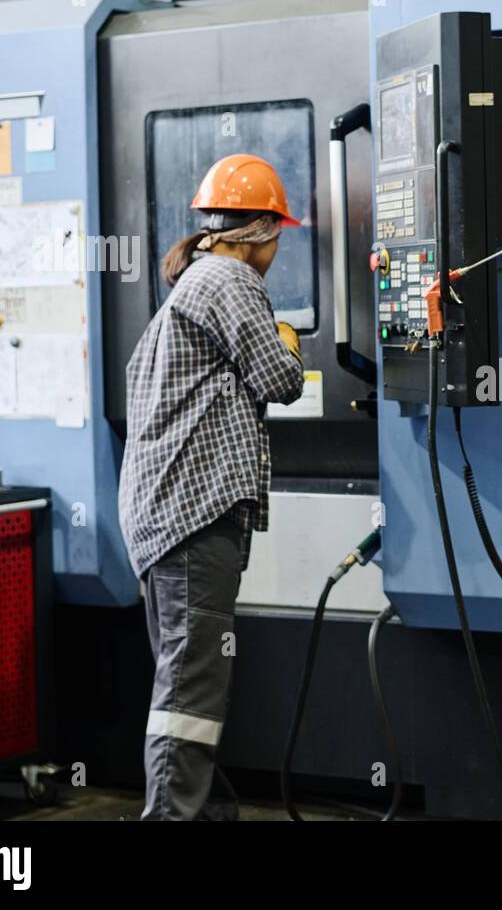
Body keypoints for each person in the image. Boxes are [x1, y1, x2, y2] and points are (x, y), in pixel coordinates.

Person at [118, 153, 305, 820]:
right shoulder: (229, 281)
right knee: (191, 685)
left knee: (189, 676)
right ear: (263, 232)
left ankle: (204, 813)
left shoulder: (192, 283)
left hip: (164, 517)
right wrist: (287, 340)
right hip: (193, 517)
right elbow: (280, 381)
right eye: (280, 234)